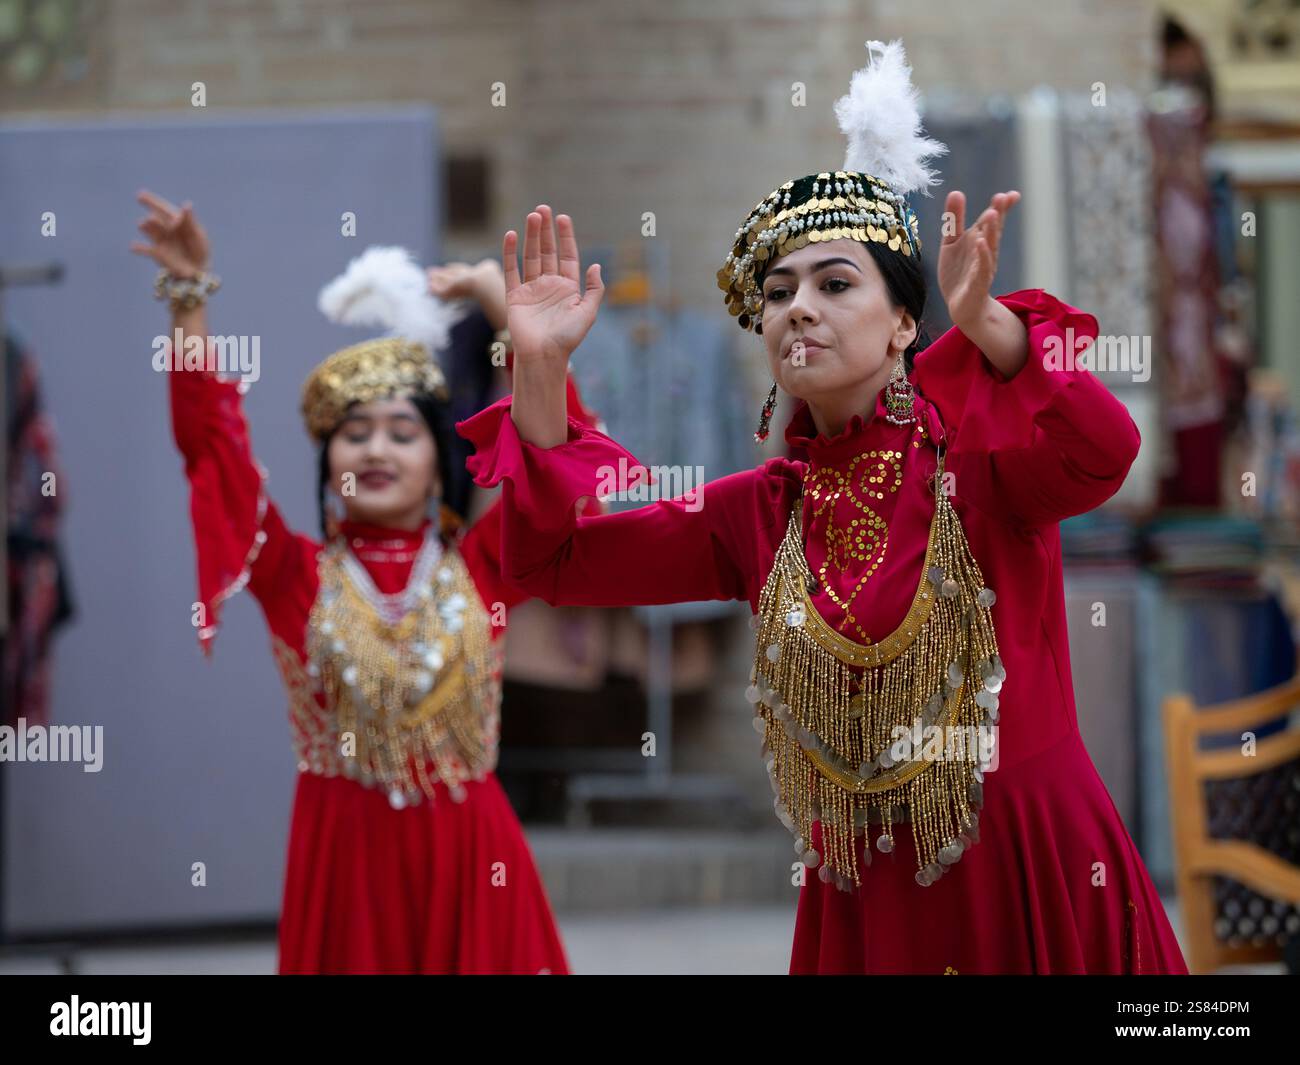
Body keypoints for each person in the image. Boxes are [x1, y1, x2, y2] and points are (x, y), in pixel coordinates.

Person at [455, 40, 1189, 974]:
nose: (798, 307)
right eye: (777, 291)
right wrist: (545, 372)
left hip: (1029, 872)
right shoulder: (758, 512)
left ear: (902, 325)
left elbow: (1104, 450)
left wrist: (994, 327)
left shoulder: (977, 461)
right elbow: (550, 558)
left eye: (835, 285)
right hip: (868, 899)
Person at [132, 189, 588, 974]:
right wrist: (188, 301)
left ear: (437, 460)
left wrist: (514, 327)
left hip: (473, 859)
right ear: (329, 461)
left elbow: (553, 466)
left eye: (402, 432)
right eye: (354, 432)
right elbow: (212, 450)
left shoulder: (483, 564)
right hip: (347, 862)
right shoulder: (291, 572)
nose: (376, 449)